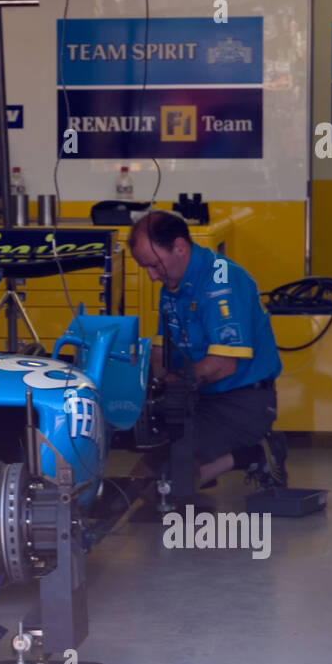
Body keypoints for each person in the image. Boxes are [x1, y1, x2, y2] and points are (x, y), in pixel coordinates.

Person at [129, 210, 286, 494]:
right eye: (146, 268)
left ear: (179, 247)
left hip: (243, 401)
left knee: (171, 485)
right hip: (200, 399)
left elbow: (224, 364)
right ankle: (192, 462)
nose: (151, 277)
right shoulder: (172, 284)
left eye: (155, 265)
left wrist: (174, 384)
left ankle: (257, 453)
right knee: (143, 477)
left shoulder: (221, 280)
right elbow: (161, 352)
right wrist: (139, 379)